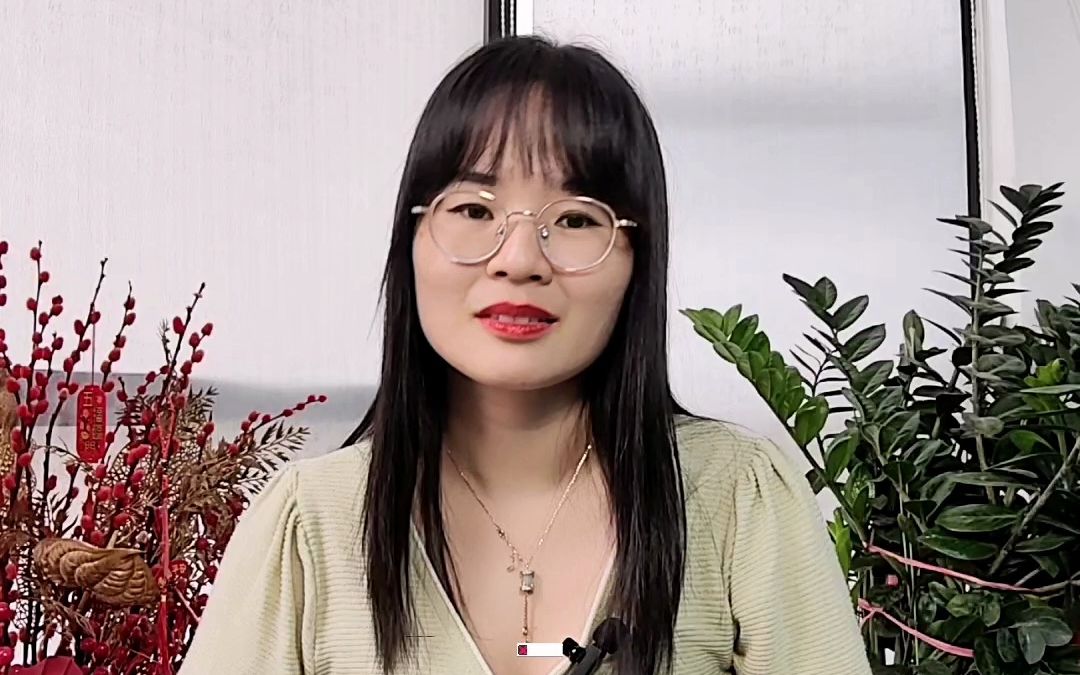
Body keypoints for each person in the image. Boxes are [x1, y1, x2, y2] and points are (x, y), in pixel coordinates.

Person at [180, 36, 871, 675]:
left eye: (574, 219)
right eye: (474, 210)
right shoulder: (308, 527)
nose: (518, 259)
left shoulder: (738, 499)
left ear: (637, 259)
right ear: (411, 239)